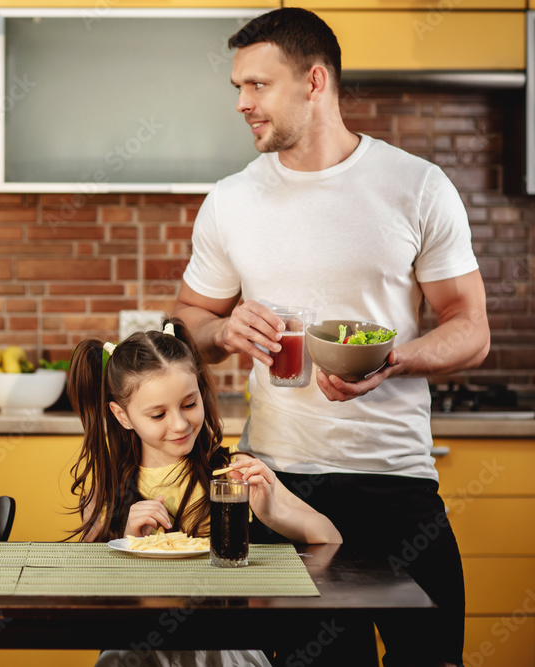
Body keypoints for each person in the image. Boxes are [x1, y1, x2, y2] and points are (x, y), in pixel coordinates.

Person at [172, 8, 490, 666]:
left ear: (314, 81)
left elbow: (470, 328)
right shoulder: (231, 200)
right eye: (238, 86)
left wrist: (392, 360)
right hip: (279, 487)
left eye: (258, 85)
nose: (241, 103)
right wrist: (223, 327)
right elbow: (188, 322)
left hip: (396, 481)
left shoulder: (416, 186)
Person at [67, 319, 341, 667]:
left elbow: (331, 539)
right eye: (158, 414)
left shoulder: (235, 470)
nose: (180, 424)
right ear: (123, 416)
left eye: (189, 404)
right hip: (138, 647)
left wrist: (273, 513)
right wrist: (125, 541)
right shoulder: (106, 489)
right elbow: (88, 592)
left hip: (227, 644)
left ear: (200, 391)